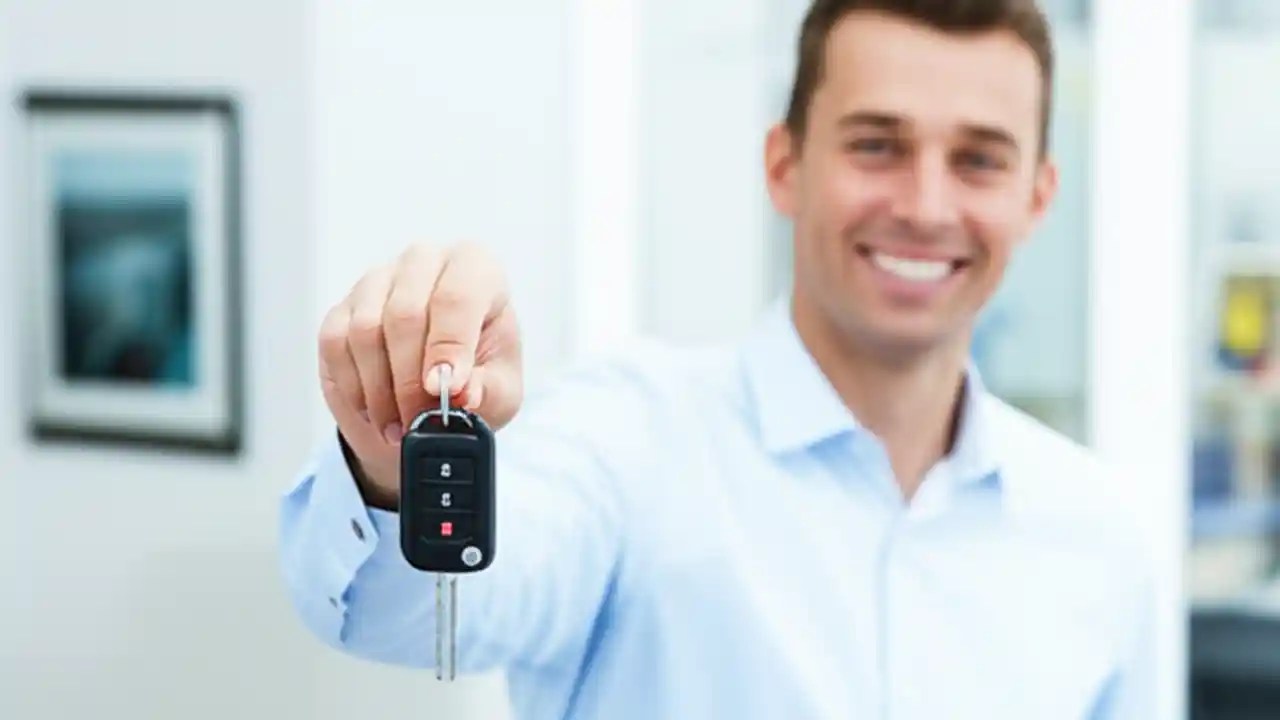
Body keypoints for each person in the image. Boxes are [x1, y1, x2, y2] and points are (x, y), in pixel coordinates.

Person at [278, 0, 1157, 717]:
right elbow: (394, 613)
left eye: (978, 160)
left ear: (1036, 198)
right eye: (876, 145)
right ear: (785, 165)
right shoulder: (625, 440)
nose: (926, 206)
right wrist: (398, 459)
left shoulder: (1098, 531)